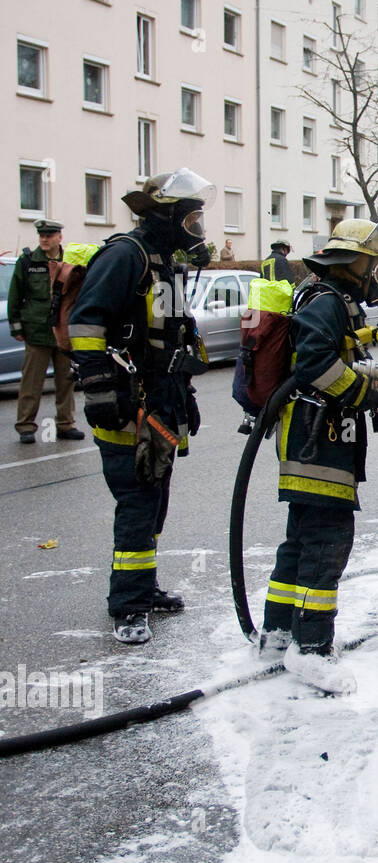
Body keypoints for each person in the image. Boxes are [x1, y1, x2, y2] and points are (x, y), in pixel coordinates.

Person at [259, 218, 378, 694]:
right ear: (358, 263)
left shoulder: (327, 297)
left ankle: (277, 634)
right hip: (320, 440)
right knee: (328, 540)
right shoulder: (328, 302)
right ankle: (311, 649)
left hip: (313, 436)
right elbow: (317, 368)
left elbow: (345, 363)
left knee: (302, 537)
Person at [69, 168, 214, 644]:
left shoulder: (164, 262)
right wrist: (101, 391)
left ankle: (144, 588)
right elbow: (86, 322)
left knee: (154, 503)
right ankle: (128, 606)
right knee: (136, 504)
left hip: (162, 403)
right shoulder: (125, 255)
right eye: (192, 217)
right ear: (168, 215)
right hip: (128, 407)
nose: (197, 226)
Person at [8, 220, 84, 444]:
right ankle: (25, 426)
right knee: (31, 382)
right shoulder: (28, 262)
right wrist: (17, 327)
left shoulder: (70, 261)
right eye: (41, 235)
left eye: (49, 235)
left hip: (63, 331)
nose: (44, 239)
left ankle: (65, 424)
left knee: (66, 381)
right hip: (37, 331)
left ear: (59, 237)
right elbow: (15, 296)